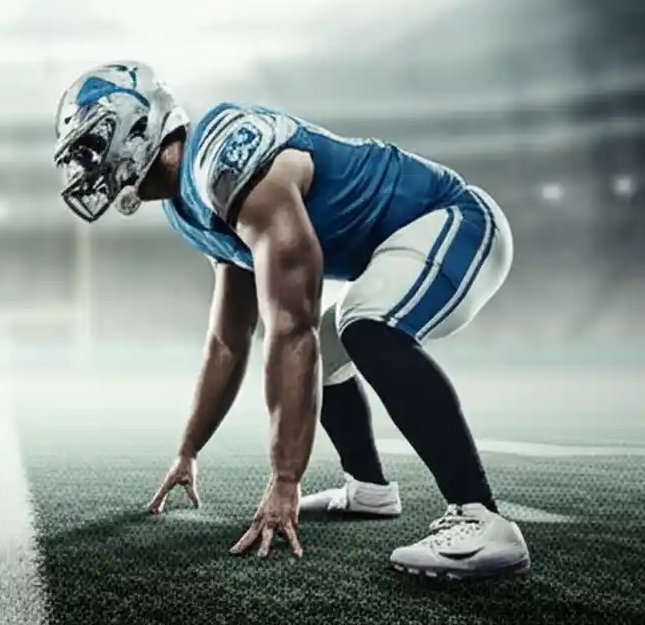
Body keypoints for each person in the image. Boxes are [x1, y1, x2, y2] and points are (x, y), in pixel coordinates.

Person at [51, 61, 530, 579]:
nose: (87, 166)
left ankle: (482, 518)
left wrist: (285, 479)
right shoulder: (186, 206)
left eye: (91, 147)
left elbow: (289, 325)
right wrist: (189, 449)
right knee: (333, 347)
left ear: (137, 124)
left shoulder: (227, 155)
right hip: (398, 246)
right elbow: (228, 341)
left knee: (364, 327)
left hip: (454, 219)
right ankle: (369, 489)